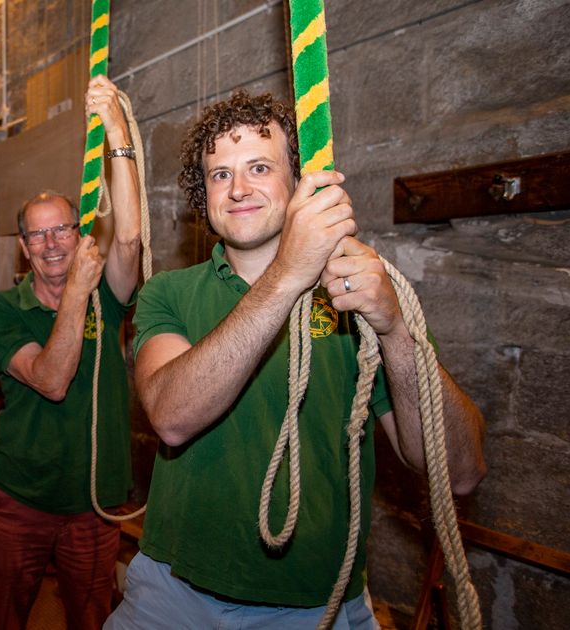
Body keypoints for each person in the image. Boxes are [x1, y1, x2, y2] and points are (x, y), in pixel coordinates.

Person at [105, 91, 487, 629]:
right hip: (175, 597)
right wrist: (289, 274)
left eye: (259, 167)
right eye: (219, 175)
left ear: (300, 183)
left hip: (319, 608)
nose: (238, 188)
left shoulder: (356, 299)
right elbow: (171, 415)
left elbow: (461, 472)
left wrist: (396, 329)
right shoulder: (170, 292)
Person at [0, 75, 142, 630]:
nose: (51, 245)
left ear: (79, 234)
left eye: (63, 231)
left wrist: (115, 126)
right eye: (38, 236)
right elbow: (51, 379)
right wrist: (76, 292)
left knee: (90, 620)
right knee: (5, 619)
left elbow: (129, 240)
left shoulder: (108, 299)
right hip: (18, 499)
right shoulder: (2, 310)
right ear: (23, 247)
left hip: (93, 502)